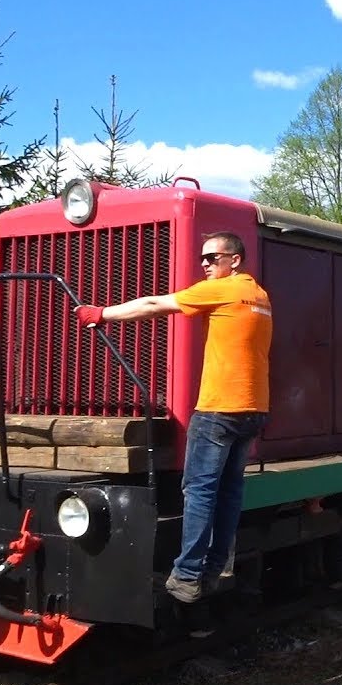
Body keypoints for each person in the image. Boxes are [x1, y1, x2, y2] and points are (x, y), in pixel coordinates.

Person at [74, 231, 272, 605]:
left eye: (213, 258)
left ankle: (186, 574)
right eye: (203, 258)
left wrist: (101, 313)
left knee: (198, 491)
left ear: (235, 260)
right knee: (229, 493)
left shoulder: (224, 289)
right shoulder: (259, 295)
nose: (205, 265)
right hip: (253, 409)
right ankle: (214, 567)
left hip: (219, 409)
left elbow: (154, 303)